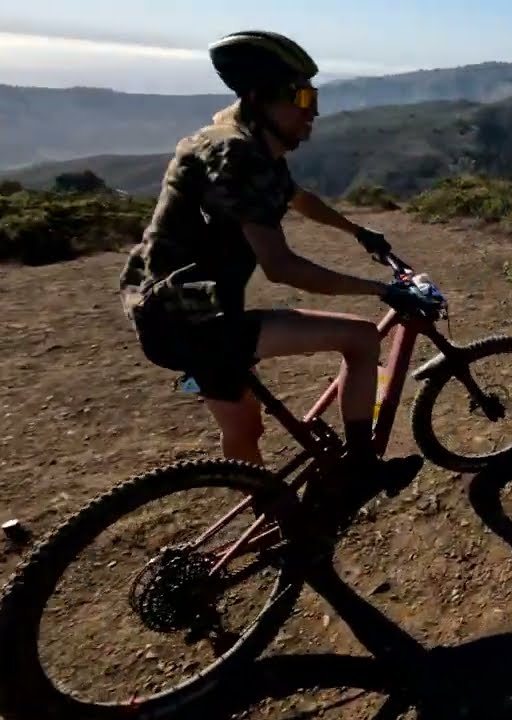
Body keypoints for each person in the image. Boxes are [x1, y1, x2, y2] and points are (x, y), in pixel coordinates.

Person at [118, 30, 423, 493]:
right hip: (196, 321)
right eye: (301, 96)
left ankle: (269, 519)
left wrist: (358, 232)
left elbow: (297, 198)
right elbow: (282, 267)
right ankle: (361, 470)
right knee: (361, 339)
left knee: (245, 430)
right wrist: (382, 290)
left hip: (163, 309)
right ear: (261, 98)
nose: (313, 112)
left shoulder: (237, 135)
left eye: (314, 95)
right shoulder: (237, 154)